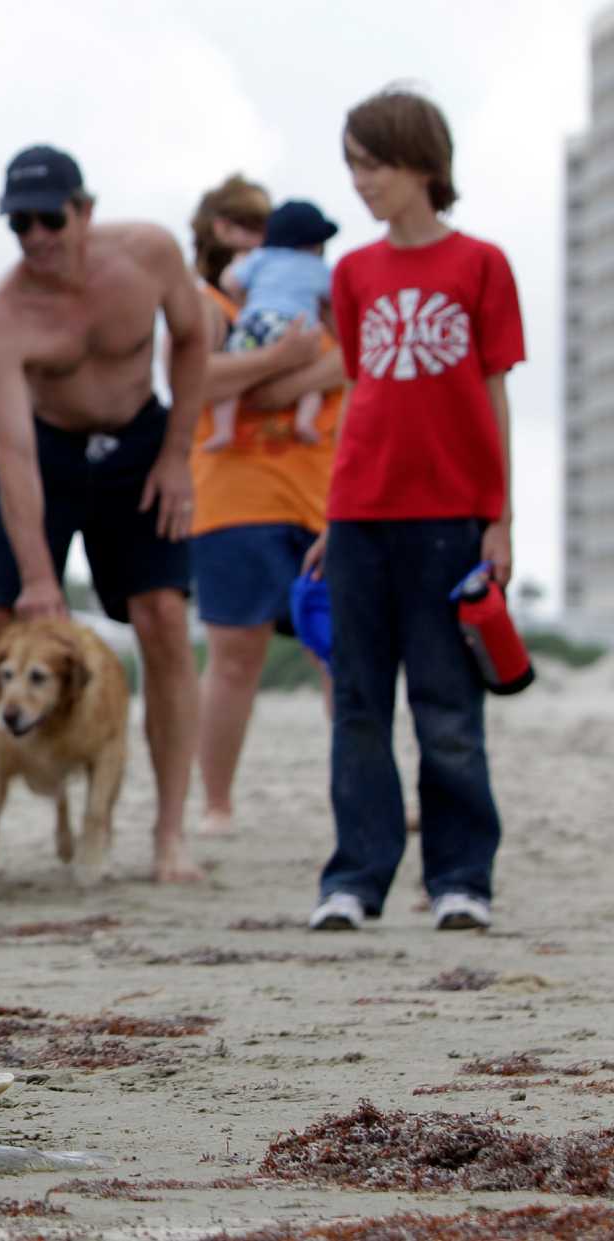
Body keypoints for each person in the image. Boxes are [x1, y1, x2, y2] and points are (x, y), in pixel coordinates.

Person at [0, 145, 208, 899]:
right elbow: (13, 455)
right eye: (20, 224)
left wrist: (179, 453)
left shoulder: (149, 254)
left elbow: (193, 338)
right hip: (44, 450)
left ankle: (169, 833)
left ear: (84, 210)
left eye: (50, 218)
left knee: (165, 618)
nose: (36, 236)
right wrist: (40, 579)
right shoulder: (1, 321)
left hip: (140, 439)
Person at [304, 89, 523, 933]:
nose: (361, 182)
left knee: (447, 708)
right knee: (358, 704)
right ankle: (354, 879)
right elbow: (361, 398)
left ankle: (462, 878)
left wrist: (500, 516)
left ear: (423, 164)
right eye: (352, 166)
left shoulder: (483, 264)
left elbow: (494, 392)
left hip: (450, 518)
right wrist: (332, 517)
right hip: (360, 515)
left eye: (374, 164)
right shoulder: (352, 273)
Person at [182, 175, 348, 838]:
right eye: (254, 226)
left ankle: (361, 794)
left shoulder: (320, 294)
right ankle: (216, 803)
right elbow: (193, 381)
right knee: (233, 659)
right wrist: (285, 361)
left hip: (321, 498)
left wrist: (276, 383)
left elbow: (354, 362)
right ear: (223, 233)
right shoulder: (205, 303)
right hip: (234, 499)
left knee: (342, 656)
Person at [201, 200, 338, 452]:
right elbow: (336, 296)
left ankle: (223, 429)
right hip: (298, 326)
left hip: (256, 323)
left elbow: (230, 281)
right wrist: (281, 358)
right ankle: (305, 421)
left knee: (232, 370)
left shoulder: (261, 258)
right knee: (312, 383)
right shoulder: (319, 269)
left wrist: (247, 292)